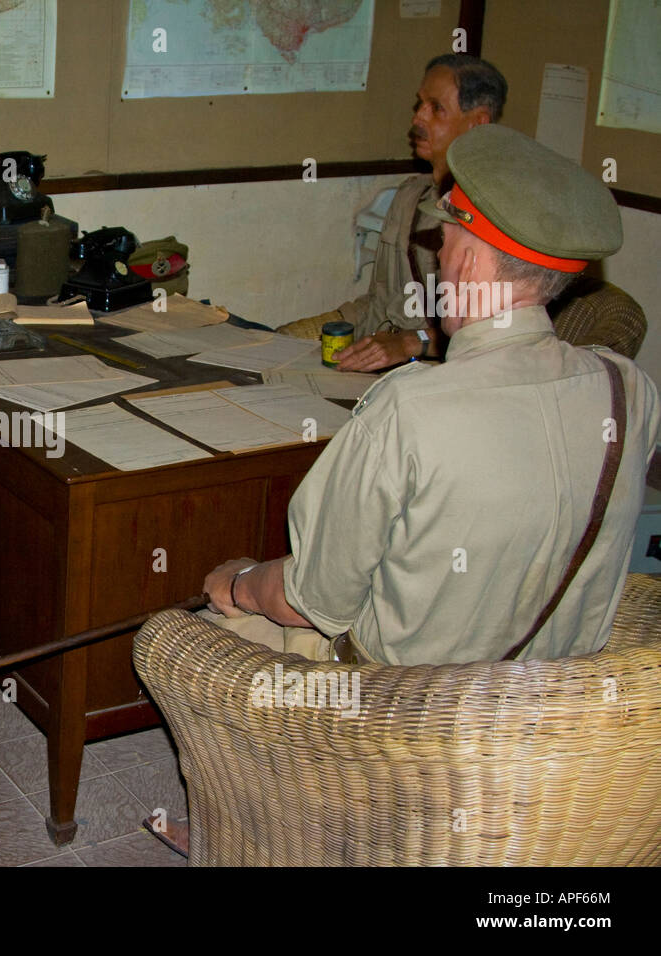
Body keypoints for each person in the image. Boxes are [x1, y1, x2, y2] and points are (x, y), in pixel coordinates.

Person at [150, 125, 661, 856]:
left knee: (201, 627)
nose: (438, 258)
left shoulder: (411, 406)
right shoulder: (628, 388)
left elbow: (310, 600)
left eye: (445, 243)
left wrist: (236, 584)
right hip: (549, 703)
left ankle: (254, 834)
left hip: (404, 712)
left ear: (475, 256)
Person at [278, 54, 507, 372]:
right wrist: (297, 336)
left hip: (443, 377)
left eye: (436, 108)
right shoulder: (410, 196)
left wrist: (412, 342)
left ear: (478, 123)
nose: (418, 118)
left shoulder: (497, 215)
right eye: (419, 104)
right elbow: (378, 303)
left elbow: (497, 329)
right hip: (380, 366)